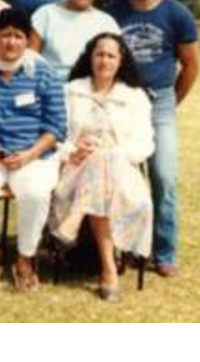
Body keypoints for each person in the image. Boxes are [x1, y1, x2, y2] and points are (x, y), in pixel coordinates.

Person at [103, 0, 199, 278]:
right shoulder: (112, 13)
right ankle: (128, 247)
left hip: (159, 102)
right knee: (123, 176)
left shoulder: (176, 13)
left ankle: (164, 250)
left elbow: (190, 66)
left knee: (163, 176)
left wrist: (170, 102)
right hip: (123, 101)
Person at [0, 8, 66, 291]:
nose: (11, 43)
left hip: (33, 156)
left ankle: (25, 258)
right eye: (5, 35)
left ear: (27, 41)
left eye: (18, 36)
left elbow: (57, 127)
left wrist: (30, 154)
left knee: (34, 194)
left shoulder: (44, 74)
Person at [49, 33, 155, 302]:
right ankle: (109, 271)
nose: (104, 60)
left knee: (106, 159)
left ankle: (73, 225)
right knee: (99, 161)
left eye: (111, 55)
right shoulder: (71, 91)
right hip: (76, 169)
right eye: (99, 54)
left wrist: (115, 153)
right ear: (90, 57)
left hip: (122, 171)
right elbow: (55, 135)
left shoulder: (134, 96)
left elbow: (145, 143)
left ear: (121, 61)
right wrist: (72, 151)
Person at [29, 0, 119, 81]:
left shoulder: (107, 23)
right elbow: (30, 58)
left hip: (90, 90)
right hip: (49, 87)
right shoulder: (45, 14)